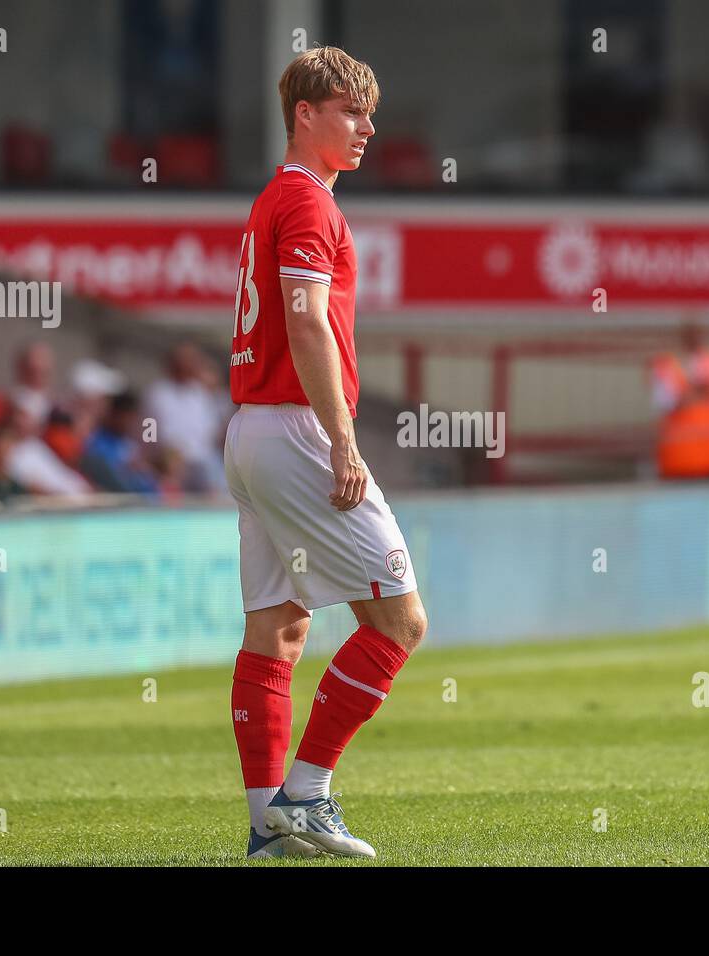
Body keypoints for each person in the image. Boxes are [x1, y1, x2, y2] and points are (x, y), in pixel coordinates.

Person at [224, 46, 426, 861]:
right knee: (400, 620)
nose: (367, 128)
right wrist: (344, 440)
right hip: (298, 428)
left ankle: (264, 825)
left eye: (369, 113)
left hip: (250, 429)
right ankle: (306, 795)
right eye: (350, 111)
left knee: (276, 627)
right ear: (304, 115)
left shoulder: (275, 199)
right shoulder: (308, 204)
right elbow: (306, 322)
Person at [649, 322, 709, 479]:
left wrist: (692, 394)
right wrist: (700, 392)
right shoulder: (667, 365)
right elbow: (669, 403)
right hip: (680, 462)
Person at [142, 341, 227, 493]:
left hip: (202, 463)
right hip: (170, 464)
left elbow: (211, 431)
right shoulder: (158, 393)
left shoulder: (200, 394)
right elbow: (148, 429)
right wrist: (158, 457)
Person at [79, 390, 160, 495]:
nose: (129, 422)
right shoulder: (97, 443)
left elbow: (150, 483)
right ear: (113, 415)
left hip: (147, 504)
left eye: (132, 417)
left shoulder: (131, 445)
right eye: (125, 417)